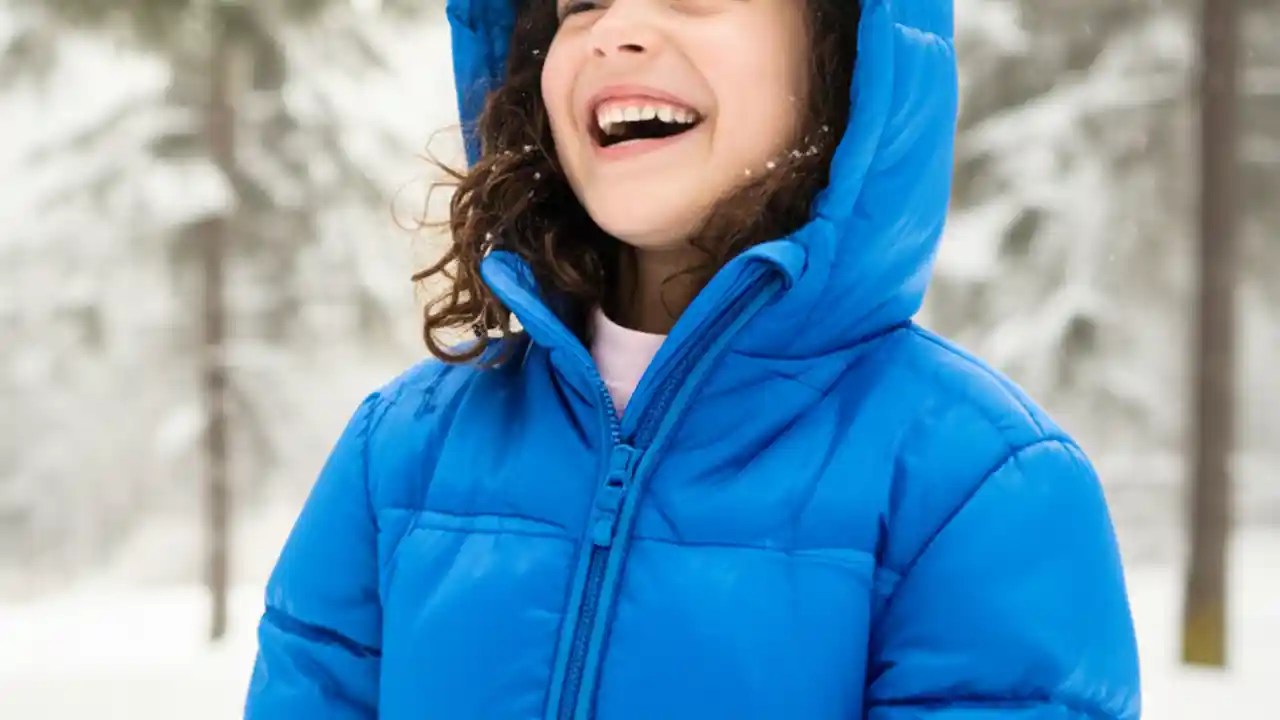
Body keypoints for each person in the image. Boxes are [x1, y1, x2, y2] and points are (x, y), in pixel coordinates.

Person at [245, 0, 1142, 718]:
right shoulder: (399, 456)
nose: (619, 30)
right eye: (581, 2)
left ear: (844, 48)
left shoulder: (977, 487)